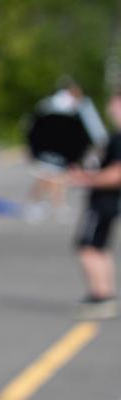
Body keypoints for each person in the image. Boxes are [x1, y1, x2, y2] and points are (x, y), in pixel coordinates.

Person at [66, 93, 121, 319]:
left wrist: (86, 179)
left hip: (104, 201)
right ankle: (105, 293)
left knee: (87, 247)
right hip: (110, 201)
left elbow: (117, 174)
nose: (111, 109)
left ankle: (101, 296)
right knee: (100, 246)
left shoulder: (119, 139)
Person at [26, 78, 108, 220]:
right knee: (48, 176)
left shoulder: (77, 104)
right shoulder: (56, 103)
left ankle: (53, 205)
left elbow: (89, 123)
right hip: (50, 146)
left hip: (62, 148)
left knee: (57, 177)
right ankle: (37, 204)